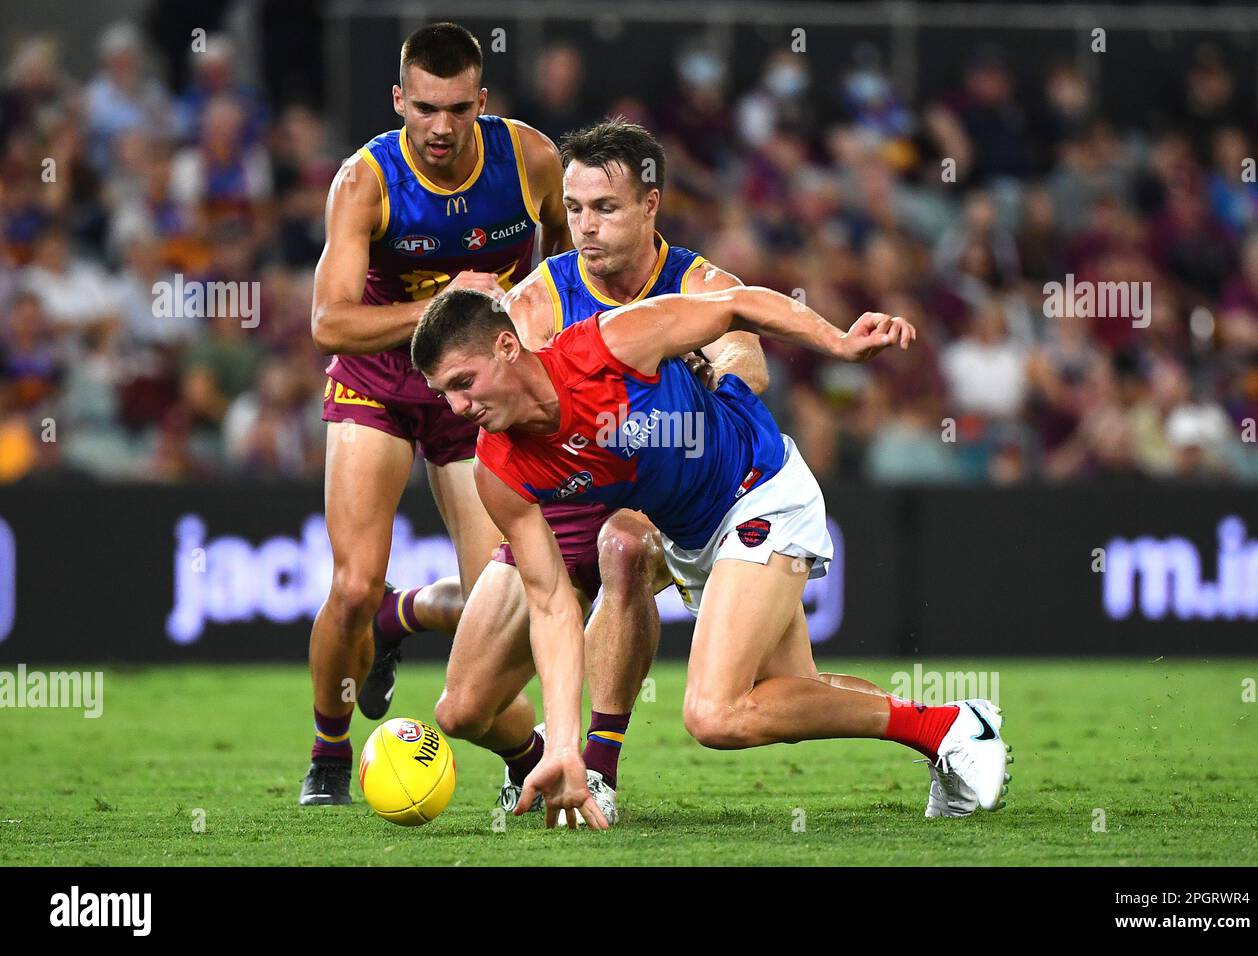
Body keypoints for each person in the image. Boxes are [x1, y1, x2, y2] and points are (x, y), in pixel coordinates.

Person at [409, 285, 1012, 826]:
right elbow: (550, 608)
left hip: (760, 489)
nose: (459, 407)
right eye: (445, 395)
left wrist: (838, 342)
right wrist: (562, 744)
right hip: (693, 537)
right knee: (790, 693)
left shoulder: (608, 347)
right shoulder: (500, 470)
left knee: (714, 714)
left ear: (509, 347)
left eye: (464, 382)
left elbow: (736, 304)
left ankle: (950, 729)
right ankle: (949, 728)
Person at [414, 117, 766, 826]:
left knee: (626, 547)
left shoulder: (697, 282)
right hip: (559, 507)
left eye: (604, 208)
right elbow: (515, 397)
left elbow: (746, 361)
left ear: (650, 205)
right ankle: (538, 761)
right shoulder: (540, 298)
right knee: (463, 708)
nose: (585, 226)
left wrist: (708, 369)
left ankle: (598, 769)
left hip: (659, 495)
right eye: (572, 209)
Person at [300, 22, 570, 805]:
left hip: (476, 395)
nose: (442, 127)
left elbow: (561, 262)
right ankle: (327, 751)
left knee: (497, 602)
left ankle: (404, 618)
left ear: (481, 103)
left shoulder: (531, 160)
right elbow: (328, 320)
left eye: (457, 109)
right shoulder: (364, 180)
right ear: (399, 101)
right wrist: (454, 304)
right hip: (378, 384)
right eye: (425, 108)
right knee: (352, 585)